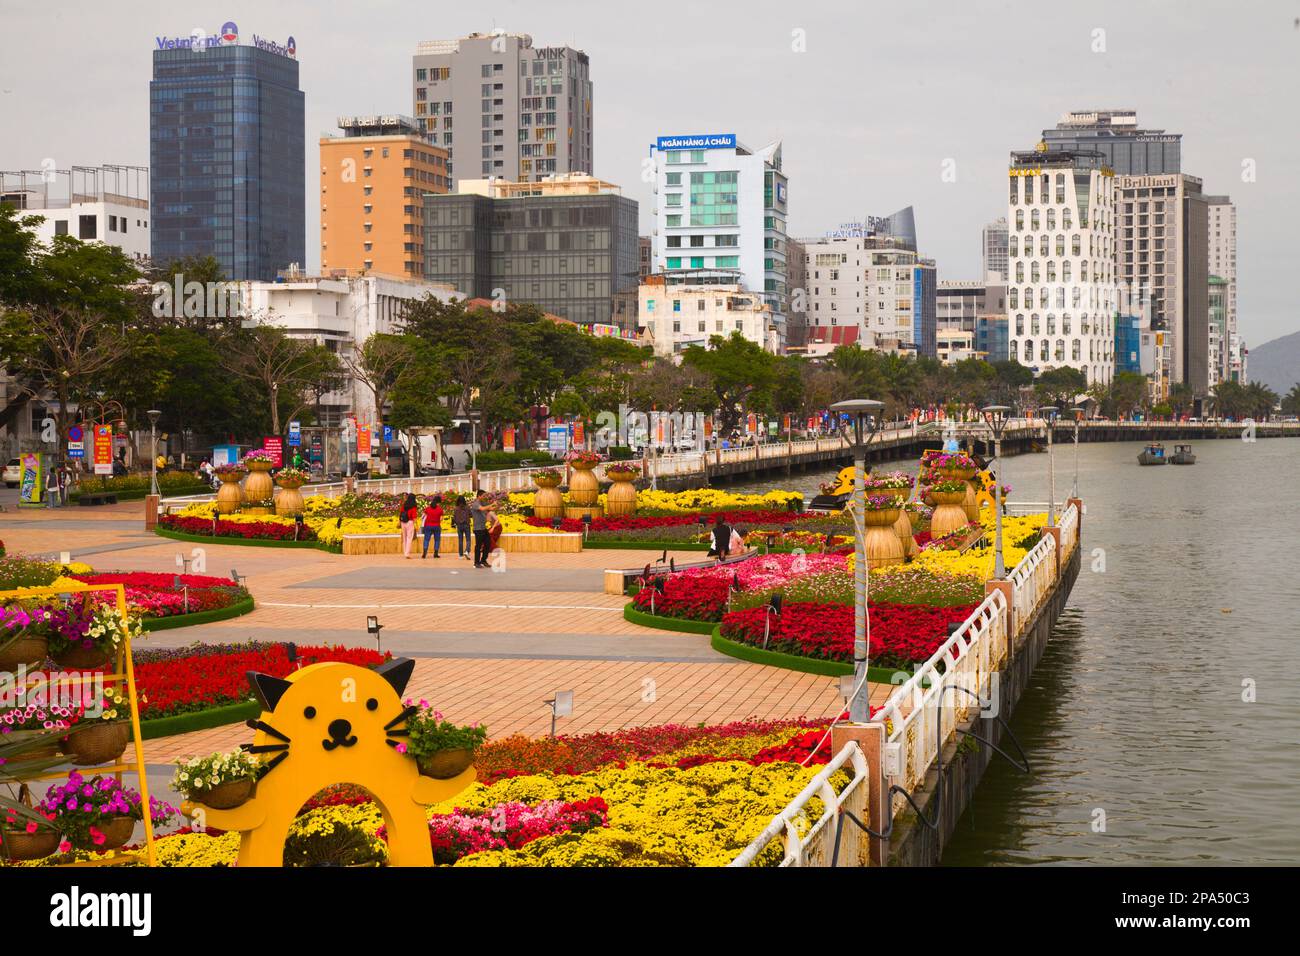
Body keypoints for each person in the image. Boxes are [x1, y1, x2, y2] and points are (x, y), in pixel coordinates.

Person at [470, 491, 490, 568]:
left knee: (488, 544)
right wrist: (491, 505)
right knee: (478, 546)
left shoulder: (482, 502)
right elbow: (482, 509)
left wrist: (496, 505)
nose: (484, 497)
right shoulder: (476, 504)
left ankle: (483, 560)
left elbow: (489, 508)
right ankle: (476, 562)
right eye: (483, 495)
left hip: (483, 528)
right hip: (478, 529)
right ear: (479, 496)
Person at [421, 494, 444, 559]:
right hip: (436, 526)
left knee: (426, 539)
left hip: (428, 526)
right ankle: (435, 554)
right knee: (437, 540)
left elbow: (422, 517)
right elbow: (441, 519)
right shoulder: (440, 509)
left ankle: (424, 553)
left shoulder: (427, 508)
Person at [398, 492, 419, 559]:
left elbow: (400, 513)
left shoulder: (404, 504)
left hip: (403, 522)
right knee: (409, 538)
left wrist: (399, 522)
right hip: (410, 522)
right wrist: (416, 525)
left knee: (404, 538)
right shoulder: (413, 506)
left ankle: (405, 552)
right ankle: (407, 553)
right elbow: (414, 517)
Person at [452, 495, 472, 559]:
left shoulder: (456, 508)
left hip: (459, 525)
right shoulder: (467, 507)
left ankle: (460, 555)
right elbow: (471, 515)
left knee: (460, 540)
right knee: (468, 539)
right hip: (466, 525)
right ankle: (466, 551)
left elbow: (454, 517)